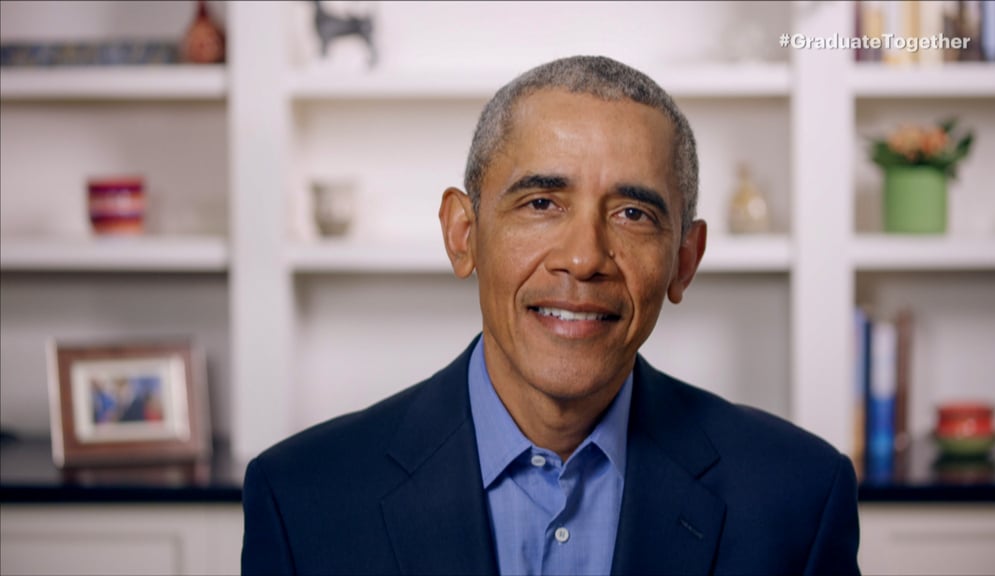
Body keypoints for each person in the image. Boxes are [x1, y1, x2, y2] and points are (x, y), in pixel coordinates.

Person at [242, 55, 860, 575]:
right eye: (542, 202)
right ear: (463, 235)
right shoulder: (302, 499)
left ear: (684, 261)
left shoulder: (799, 499)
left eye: (633, 214)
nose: (585, 257)